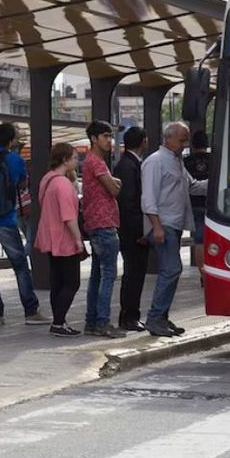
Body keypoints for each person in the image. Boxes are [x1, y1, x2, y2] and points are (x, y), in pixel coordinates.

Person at [0, 122, 50, 326]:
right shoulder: (16, 160)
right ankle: (30, 311)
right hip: (6, 219)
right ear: (11, 141)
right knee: (20, 266)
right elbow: (22, 184)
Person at [141, 122, 208, 338]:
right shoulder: (155, 162)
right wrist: (157, 227)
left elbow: (193, 186)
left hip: (175, 224)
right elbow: (148, 198)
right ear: (168, 139)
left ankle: (161, 316)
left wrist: (216, 181)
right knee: (170, 269)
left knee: (172, 270)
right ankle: (155, 317)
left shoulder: (177, 162)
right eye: (181, 140)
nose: (185, 145)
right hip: (164, 224)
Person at [81, 121, 126, 339]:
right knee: (109, 275)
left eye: (111, 136)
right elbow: (114, 189)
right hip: (105, 224)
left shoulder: (90, 162)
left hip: (95, 225)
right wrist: (115, 184)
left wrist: (114, 182)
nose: (110, 141)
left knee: (97, 276)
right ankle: (102, 322)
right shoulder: (97, 162)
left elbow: (113, 183)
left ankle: (92, 322)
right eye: (106, 136)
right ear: (94, 138)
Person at [35, 143, 85, 338]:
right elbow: (69, 216)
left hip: (49, 235)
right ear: (64, 159)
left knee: (57, 281)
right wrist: (78, 239)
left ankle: (59, 320)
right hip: (63, 238)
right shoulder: (62, 184)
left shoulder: (47, 179)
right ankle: (58, 321)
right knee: (72, 282)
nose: (77, 160)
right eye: (74, 157)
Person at [114, 127, 149, 332]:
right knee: (133, 274)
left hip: (131, 230)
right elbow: (128, 203)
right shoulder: (128, 166)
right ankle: (129, 316)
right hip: (132, 233)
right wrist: (140, 232)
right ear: (143, 142)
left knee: (135, 274)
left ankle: (130, 314)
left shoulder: (130, 164)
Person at [183, 129, 212, 262]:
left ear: (193, 145)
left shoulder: (186, 161)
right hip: (212, 205)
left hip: (193, 204)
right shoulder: (215, 160)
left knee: (199, 240)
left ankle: (202, 272)